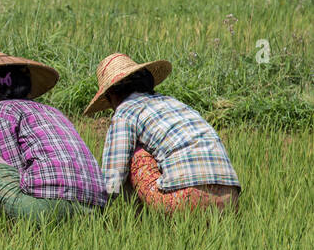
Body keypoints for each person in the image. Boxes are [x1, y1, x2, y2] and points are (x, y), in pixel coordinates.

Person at [0, 49, 106, 220]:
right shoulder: (53, 111)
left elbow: (13, 172)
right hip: (94, 210)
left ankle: (4, 219)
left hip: (44, 208)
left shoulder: (0, 110)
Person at [85, 53, 240, 213]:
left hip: (188, 199)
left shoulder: (125, 112)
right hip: (230, 200)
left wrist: (99, 211)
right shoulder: (175, 103)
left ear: (111, 95)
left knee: (136, 155)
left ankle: (139, 220)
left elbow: (113, 177)